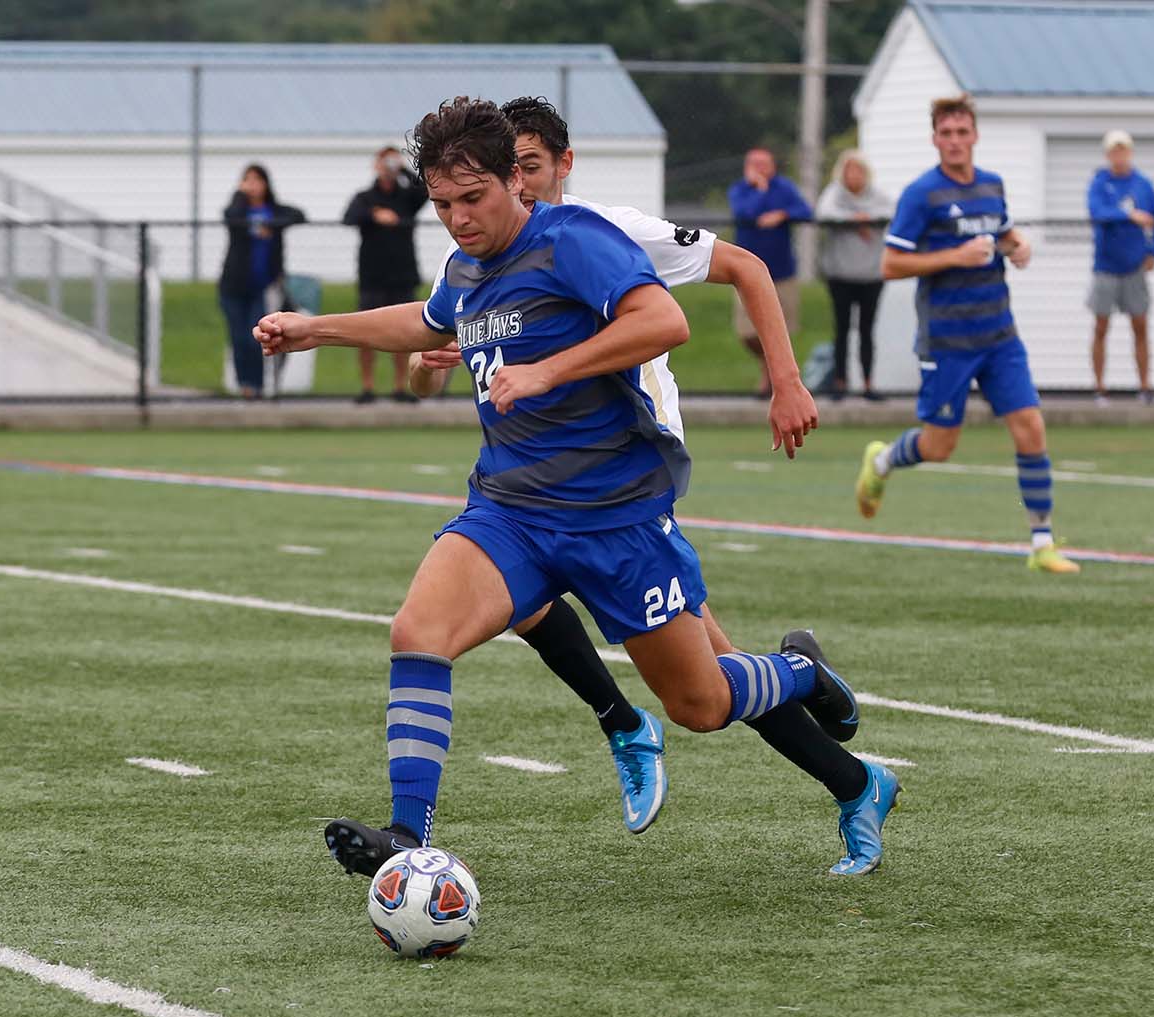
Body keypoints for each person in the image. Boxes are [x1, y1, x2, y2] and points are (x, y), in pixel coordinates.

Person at [254, 98, 890, 880]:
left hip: (613, 519)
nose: (457, 219)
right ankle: (406, 839)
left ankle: (799, 673)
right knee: (418, 631)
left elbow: (663, 321)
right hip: (510, 511)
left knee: (700, 705)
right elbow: (427, 324)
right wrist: (313, 328)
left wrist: (548, 369)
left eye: (472, 199)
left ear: (515, 184)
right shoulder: (467, 268)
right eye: (443, 205)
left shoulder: (577, 239)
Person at [854, 95, 1078, 574]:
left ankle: (1042, 544)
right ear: (935, 139)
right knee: (939, 447)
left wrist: (1019, 248)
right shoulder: (921, 194)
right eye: (946, 133)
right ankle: (882, 461)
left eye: (962, 132)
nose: (955, 141)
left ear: (975, 135)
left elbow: (1006, 235)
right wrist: (953, 257)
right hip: (948, 340)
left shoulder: (992, 185)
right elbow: (891, 264)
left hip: (999, 335)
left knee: (1031, 429)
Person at [343, 147, 429, 403]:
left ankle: (400, 387)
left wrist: (403, 168)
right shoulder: (365, 197)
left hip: (402, 274)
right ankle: (368, 387)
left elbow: (426, 189)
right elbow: (349, 217)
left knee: (404, 333)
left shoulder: (407, 197)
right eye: (385, 161)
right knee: (365, 332)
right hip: (372, 276)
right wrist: (374, 215)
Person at [1085, 130, 1154, 405]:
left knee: (1141, 326)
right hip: (1106, 266)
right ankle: (1099, 388)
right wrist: (1129, 216)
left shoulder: (1143, 184)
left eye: (1123, 150)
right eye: (1113, 151)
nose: (1118, 156)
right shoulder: (1100, 182)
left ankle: (1144, 387)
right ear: (1108, 155)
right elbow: (1098, 213)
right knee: (1100, 326)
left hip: (1134, 266)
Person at [728, 148, 813, 397]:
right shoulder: (740, 190)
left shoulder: (784, 188)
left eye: (765, 164)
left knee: (782, 329)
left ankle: (774, 380)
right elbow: (745, 213)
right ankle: (767, 364)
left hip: (781, 271)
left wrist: (783, 214)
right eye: (755, 164)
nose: (760, 168)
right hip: (746, 274)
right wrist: (761, 191)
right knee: (746, 331)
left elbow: (806, 212)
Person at [218, 163, 305, 401]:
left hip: (262, 288)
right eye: (248, 180)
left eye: (258, 180)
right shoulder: (239, 210)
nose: (253, 185)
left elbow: (298, 215)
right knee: (238, 339)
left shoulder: (274, 211)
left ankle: (258, 386)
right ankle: (245, 386)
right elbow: (230, 216)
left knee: (254, 337)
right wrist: (240, 194)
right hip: (234, 287)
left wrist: (271, 225)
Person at [815, 149, 891, 402]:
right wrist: (855, 219)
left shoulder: (877, 196)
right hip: (841, 275)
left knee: (867, 330)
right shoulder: (834, 194)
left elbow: (891, 213)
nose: (854, 175)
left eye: (859, 170)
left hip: (871, 275)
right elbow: (824, 213)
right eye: (849, 170)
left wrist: (867, 218)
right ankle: (840, 383)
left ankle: (868, 384)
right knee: (842, 330)